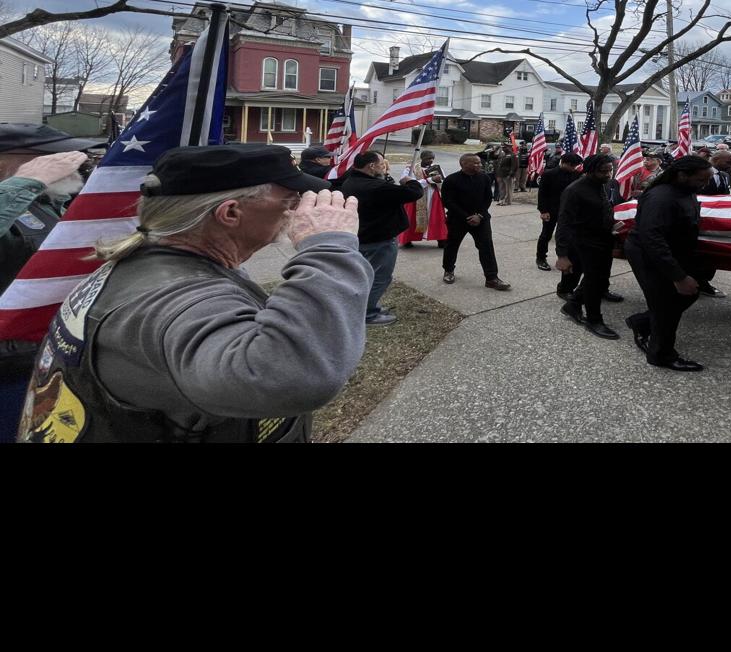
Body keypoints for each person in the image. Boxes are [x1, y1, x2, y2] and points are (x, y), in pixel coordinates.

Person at [14, 143, 371, 443]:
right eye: (290, 199)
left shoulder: (147, 265)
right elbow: (291, 375)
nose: (297, 209)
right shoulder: (167, 295)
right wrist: (327, 247)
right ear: (230, 213)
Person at [0, 122, 102, 440]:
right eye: (51, 156)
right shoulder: (17, 194)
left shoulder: (39, 203)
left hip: (41, 358)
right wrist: (26, 182)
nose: (69, 161)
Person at [622, 156, 713, 372]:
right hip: (650, 255)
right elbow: (652, 239)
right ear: (682, 175)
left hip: (670, 252)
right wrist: (678, 276)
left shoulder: (684, 191)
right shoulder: (660, 198)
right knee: (665, 307)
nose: (705, 184)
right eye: (701, 180)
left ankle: (642, 322)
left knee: (687, 295)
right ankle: (661, 355)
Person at [337, 149, 423, 326]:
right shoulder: (377, 187)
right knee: (380, 277)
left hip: (363, 236)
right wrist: (410, 181)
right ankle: (368, 314)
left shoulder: (351, 181)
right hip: (380, 239)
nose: (384, 167)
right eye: (382, 164)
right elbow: (413, 193)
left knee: (364, 275)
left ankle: (365, 306)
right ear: (371, 166)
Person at [553, 153, 622, 340]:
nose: (608, 174)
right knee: (593, 281)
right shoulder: (574, 190)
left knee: (600, 278)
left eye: (610, 170)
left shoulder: (602, 185)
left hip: (603, 239)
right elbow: (564, 222)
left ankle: (573, 304)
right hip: (583, 242)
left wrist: (612, 225)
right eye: (603, 171)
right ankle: (594, 319)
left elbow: (603, 209)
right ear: (590, 171)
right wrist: (562, 255)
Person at [440, 154, 511, 290]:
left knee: (486, 247)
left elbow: (488, 198)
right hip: (458, 219)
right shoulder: (451, 180)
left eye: (479, 163)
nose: (479, 165)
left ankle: (491, 278)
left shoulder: (484, 178)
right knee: (452, 245)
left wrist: (479, 215)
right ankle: (448, 270)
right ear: (464, 164)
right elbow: (448, 201)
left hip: (481, 219)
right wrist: (466, 217)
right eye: (475, 163)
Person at [692, 150, 731, 299]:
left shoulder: (725, 176)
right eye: (728, 162)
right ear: (715, 160)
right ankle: (699, 282)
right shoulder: (699, 175)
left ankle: (703, 281)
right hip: (699, 219)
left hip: (715, 221)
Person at [536, 151, 583, 271]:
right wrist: (543, 211)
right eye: (572, 165)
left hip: (568, 211)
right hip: (551, 210)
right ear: (564, 163)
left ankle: (565, 258)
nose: (574, 168)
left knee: (567, 236)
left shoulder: (576, 175)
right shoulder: (549, 174)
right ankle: (541, 258)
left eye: (575, 166)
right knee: (546, 235)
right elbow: (542, 194)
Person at [399, 150, 447, 248]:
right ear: (422, 158)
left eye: (432, 158)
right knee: (412, 218)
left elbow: (443, 182)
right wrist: (428, 180)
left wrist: (439, 180)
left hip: (433, 195)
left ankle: (441, 239)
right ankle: (407, 239)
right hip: (416, 196)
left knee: (437, 218)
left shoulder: (436, 168)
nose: (431, 160)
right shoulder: (411, 168)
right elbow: (406, 182)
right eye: (428, 158)